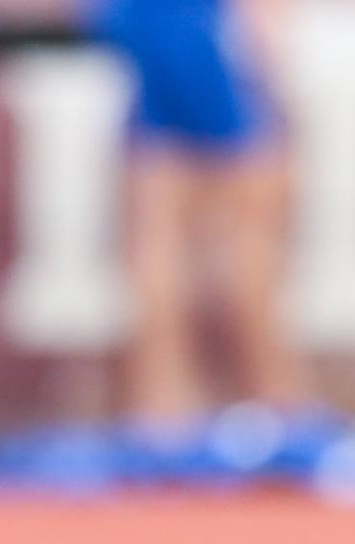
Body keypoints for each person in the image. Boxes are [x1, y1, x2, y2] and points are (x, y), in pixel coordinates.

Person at [92, 0, 316, 446]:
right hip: (199, 28)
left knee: (162, 212)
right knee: (249, 219)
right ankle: (279, 405)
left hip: (146, 21)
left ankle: (163, 411)